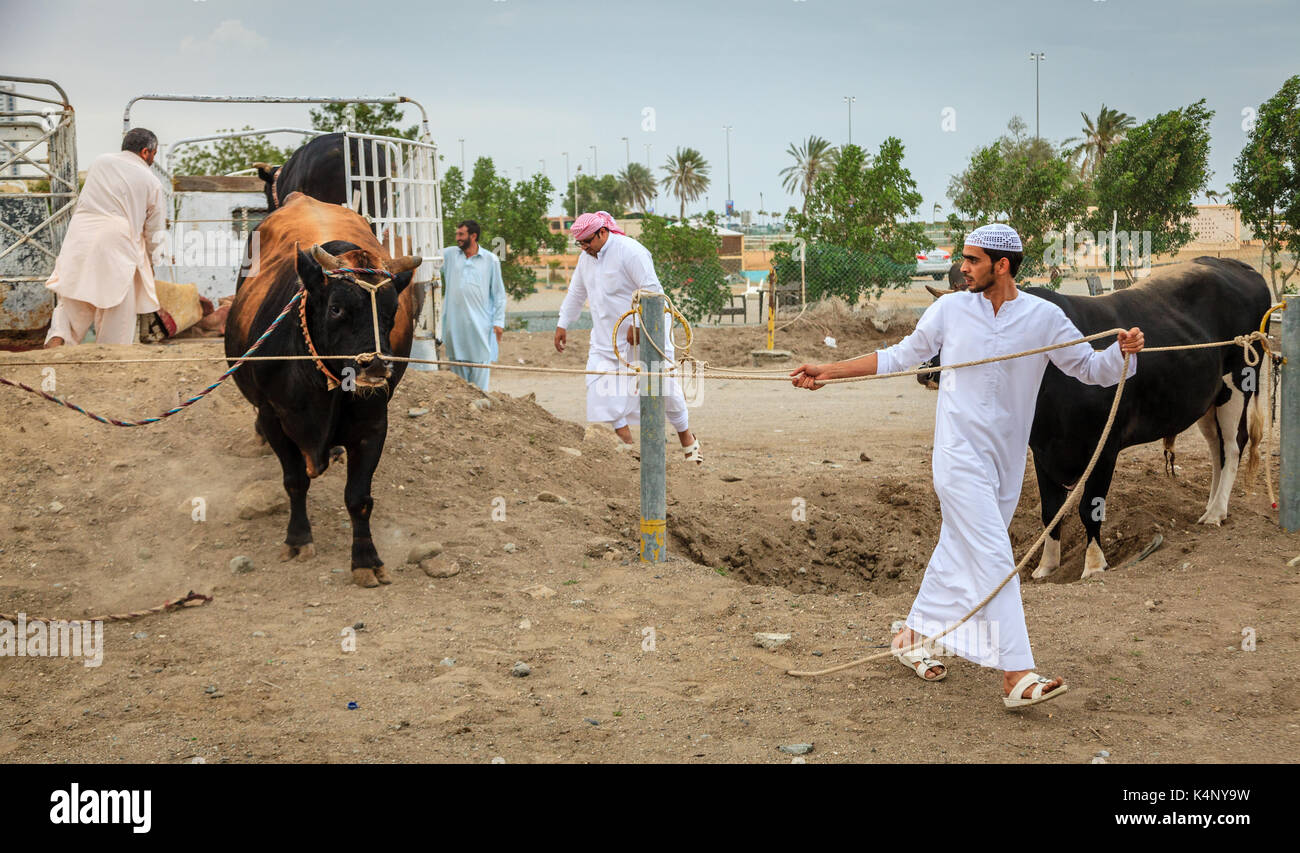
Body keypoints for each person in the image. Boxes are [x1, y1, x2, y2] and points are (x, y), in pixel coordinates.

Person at [790, 223, 1145, 709]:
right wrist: (828, 371)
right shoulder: (950, 309)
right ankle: (1017, 676)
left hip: (1004, 464)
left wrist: (1123, 355)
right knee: (996, 556)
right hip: (957, 458)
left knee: (959, 550)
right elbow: (900, 356)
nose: (962, 267)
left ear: (1002, 265)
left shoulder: (1044, 318)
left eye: (972, 260)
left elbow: (1089, 369)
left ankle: (910, 637)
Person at [554, 211, 701, 464]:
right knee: (600, 389)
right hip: (605, 338)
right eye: (580, 243)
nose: (584, 247)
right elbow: (576, 292)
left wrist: (638, 323)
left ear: (603, 232)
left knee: (661, 388)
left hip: (646, 336)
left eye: (587, 241)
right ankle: (630, 450)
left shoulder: (631, 251)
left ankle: (687, 439)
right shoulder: (586, 258)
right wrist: (562, 323)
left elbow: (652, 290)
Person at [44, 128, 166, 347]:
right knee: (117, 307)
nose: (153, 160)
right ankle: (110, 356)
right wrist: (153, 261)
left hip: (80, 235)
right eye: (154, 154)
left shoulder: (100, 163)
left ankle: (56, 347)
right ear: (146, 152)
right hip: (118, 239)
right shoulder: (152, 182)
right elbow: (154, 231)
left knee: (72, 299)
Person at [440, 219, 505, 391]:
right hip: (455, 326)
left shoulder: (491, 260)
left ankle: (480, 411)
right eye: (457, 234)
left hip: (480, 326)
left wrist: (499, 322)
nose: (457, 238)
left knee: (480, 376)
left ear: (473, 236)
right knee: (459, 379)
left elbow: (499, 294)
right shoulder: (450, 255)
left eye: (461, 234)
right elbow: (426, 254)